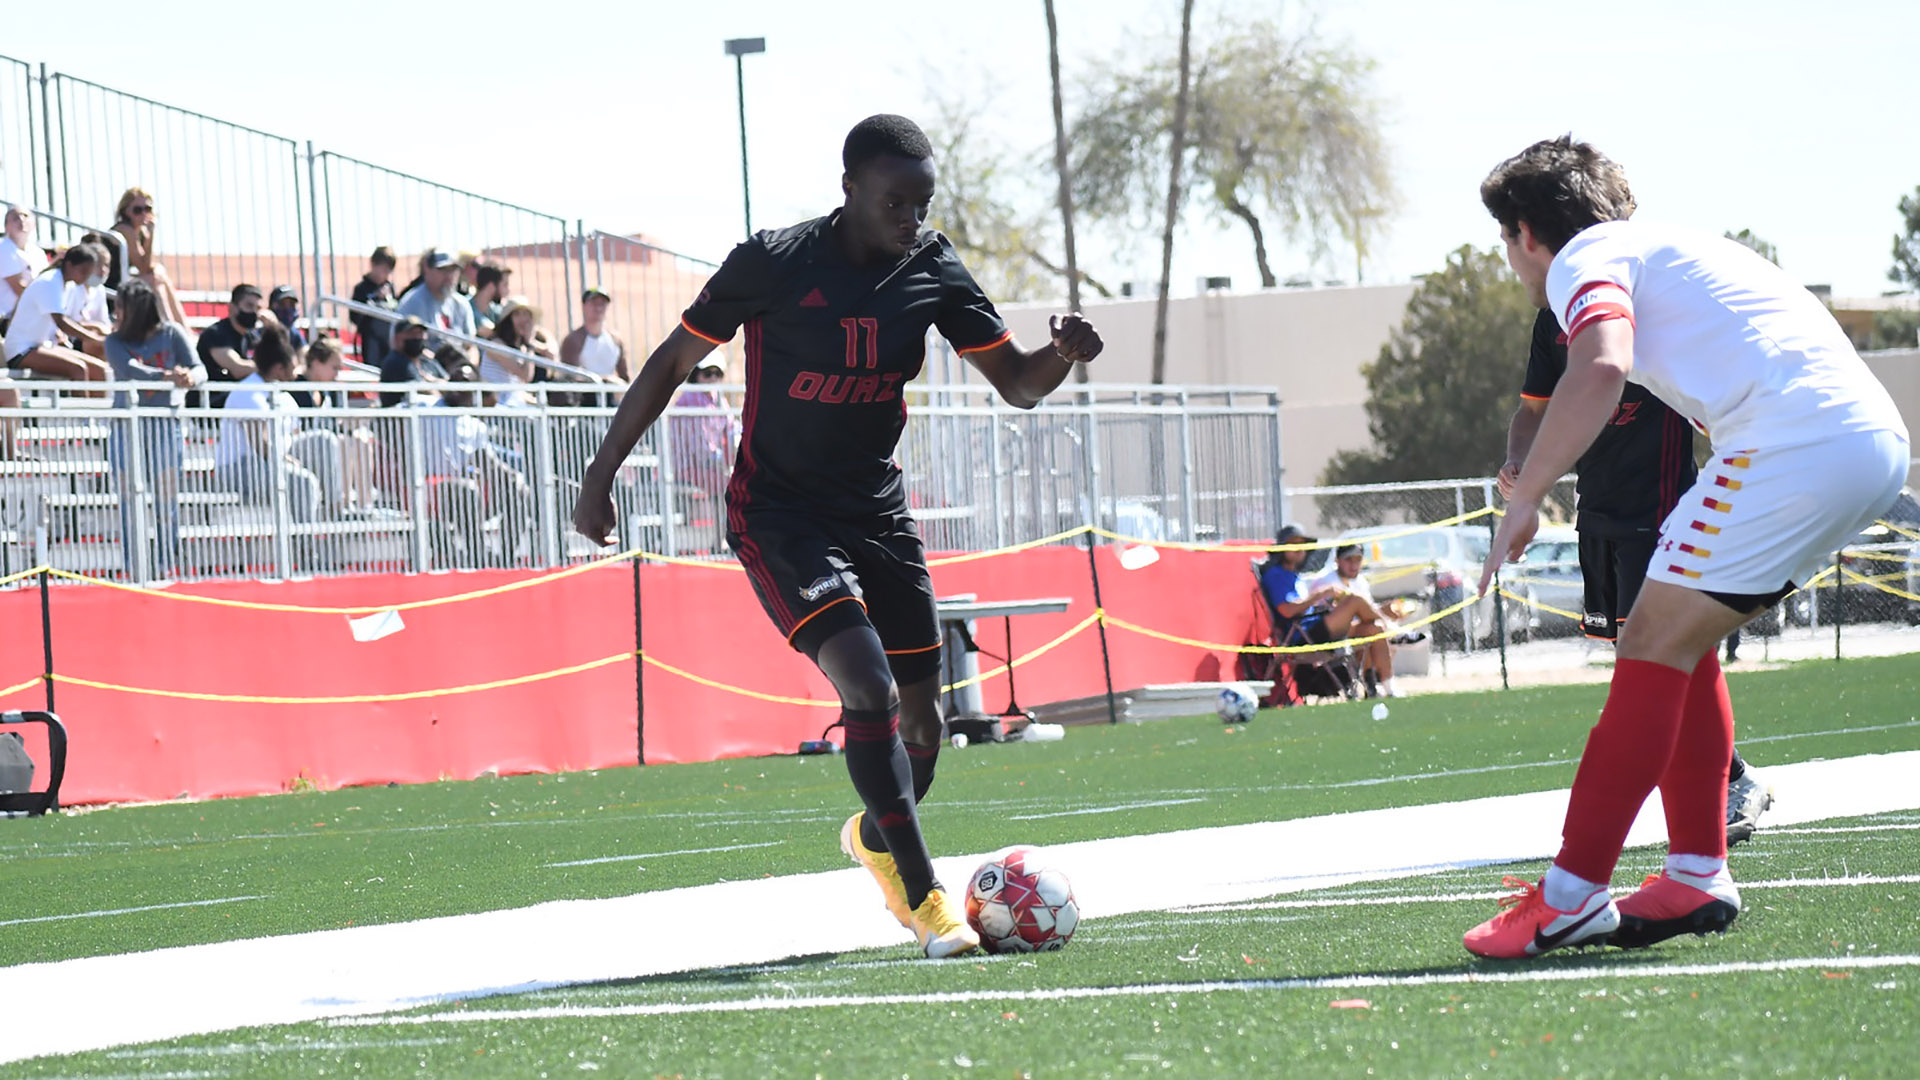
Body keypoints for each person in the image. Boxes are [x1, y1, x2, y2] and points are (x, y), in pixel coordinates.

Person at [571, 114, 1104, 959]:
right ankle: (928, 902)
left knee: (925, 726)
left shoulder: (933, 267)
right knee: (868, 684)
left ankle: (875, 838)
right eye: (896, 202)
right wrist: (600, 475)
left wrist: (1061, 354)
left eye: (922, 204)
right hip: (780, 514)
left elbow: (1017, 385)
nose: (911, 219)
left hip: (878, 515)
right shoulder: (773, 262)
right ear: (850, 188)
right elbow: (670, 362)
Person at [1464, 136, 1909, 959]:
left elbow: (1601, 366)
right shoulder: (1664, 246)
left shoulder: (1582, 259)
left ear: (1526, 232)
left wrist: (1525, 498)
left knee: (1646, 640)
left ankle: (1570, 895)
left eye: (1505, 239)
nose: (1510, 258)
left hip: (1792, 447)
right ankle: (1698, 871)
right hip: (1860, 439)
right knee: (1677, 636)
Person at [1502, 308, 1772, 847]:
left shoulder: (1650, 307)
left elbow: (1716, 390)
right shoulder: (1552, 319)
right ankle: (1726, 784)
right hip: (1595, 515)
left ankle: (1724, 789)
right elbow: (1532, 412)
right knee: (1646, 658)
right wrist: (1517, 464)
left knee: (1653, 659)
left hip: (1661, 512)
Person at [104, 278, 205, 578]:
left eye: (121, 306)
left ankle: (164, 565)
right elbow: (129, 369)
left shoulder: (171, 333)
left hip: (165, 425)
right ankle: (133, 565)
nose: (116, 313)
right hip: (127, 427)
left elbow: (199, 368)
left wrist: (189, 378)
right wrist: (166, 376)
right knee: (128, 499)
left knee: (166, 499)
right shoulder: (114, 341)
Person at [1259, 527, 1410, 697]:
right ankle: (1395, 631)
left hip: (1315, 626)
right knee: (1354, 600)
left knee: (1374, 629)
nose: (1299, 549)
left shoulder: (1294, 575)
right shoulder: (1276, 575)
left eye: (1302, 545)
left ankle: (1387, 687)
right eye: (1293, 544)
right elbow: (1287, 610)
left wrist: (1327, 604)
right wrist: (1320, 594)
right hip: (1303, 635)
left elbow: (1303, 606)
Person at [422, 349, 533, 562]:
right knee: (467, 489)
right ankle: (477, 552)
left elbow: (487, 461)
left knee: (518, 489)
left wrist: (514, 478)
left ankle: (505, 557)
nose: (459, 387)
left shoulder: (475, 425)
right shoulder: (425, 410)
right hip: (429, 486)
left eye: (465, 383)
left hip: (463, 487)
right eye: (455, 381)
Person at [215, 324, 326, 530]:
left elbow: (295, 435)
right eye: (293, 367)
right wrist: (286, 460)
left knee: (324, 441)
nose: (296, 372)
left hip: (267, 462)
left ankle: (336, 512)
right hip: (241, 467)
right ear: (278, 369)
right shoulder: (250, 392)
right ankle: (308, 544)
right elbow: (260, 444)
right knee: (304, 482)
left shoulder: (282, 395)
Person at [1307, 542, 1415, 697]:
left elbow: (1368, 612)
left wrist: (1390, 609)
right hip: (1326, 634)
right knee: (1369, 622)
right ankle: (1394, 632)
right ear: (1337, 560)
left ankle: (1383, 685)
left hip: (1354, 631)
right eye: (1348, 560)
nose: (1354, 565)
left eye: (1358, 560)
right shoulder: (1326, 581)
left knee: (1375, 628)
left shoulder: (1360, 582)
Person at [2, 242, 112, 385]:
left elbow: (67, 322)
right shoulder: (50, 282)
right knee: (78, 369)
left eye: (89, 272)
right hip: (21, 350)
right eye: (83, 271)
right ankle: (80, 400)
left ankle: (99, 401)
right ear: (69, 265)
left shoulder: (68, 285)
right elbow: (62, 323)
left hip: (42, 346)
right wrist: (95, 339)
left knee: (99, 370)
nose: (86, 277)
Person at [291, 335, 379, 513]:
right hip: (304, 446)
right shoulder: (296, 388)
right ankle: (340, 505)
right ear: (316, 363)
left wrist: (355, 422)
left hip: (327, 444)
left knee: (360, 440)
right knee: (342, 442)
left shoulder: (330, 390)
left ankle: (365, 504)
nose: (337, 374)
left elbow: (334, 425)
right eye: (334, 368)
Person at [110, 187, 190, 326]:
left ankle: (183, 328)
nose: (143, 214)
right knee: (154, 278)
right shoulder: (125, 230)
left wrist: (148, 236)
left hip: (124, 280)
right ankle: (170, 327)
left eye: (147, 209)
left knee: (160, 274)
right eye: (137, 210)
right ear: (125, 211)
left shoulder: (140, 232)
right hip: (114, 284)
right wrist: (151, 235)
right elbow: (144, 267)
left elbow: (147, 266)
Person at [394, 249, 475, 356]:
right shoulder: (412, 302)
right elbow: (404, 346)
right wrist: (438, 364)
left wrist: (468, 363)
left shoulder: (462, 304)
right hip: (426, 364)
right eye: (443, 270)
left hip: (458, 363)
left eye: (453, 270)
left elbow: (471, 345)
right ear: (427, 270)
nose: (449, 276)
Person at [196, 284, 267, 408]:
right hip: (213, 404)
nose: (254, 312)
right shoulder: (215, 333)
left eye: (258, 308)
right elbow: (237, 369)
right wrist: (269, 367)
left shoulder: (253, 337)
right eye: (249, 306)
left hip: (242, 401)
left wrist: (274, 328)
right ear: (233, 307)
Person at [559, 286, 632, 399]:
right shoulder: (573, 340)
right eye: (594, 303)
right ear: (584, 306)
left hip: (610, 398)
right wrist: (605, 380)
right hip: (584, 400)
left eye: (602, 303)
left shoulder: (616, 340)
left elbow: (625, 377)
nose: (598, 308)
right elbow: (572, 376)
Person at [481, 295, 555, 404]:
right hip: (497, 405)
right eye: (517, 314)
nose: (523, 319)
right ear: (508, 320)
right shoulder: (497, 345)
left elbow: (551, 356)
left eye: (526, 314)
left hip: (512, 403)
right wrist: (530, 345)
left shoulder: (522, 348)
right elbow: (525, 375)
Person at [378, 316, 448, 407]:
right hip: (403, 414)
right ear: (397, 338)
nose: (417, 337)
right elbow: (424, 390)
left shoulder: (427, 361)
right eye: (411, 333)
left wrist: (433, 380)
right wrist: (439, 387)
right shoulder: (395, 361)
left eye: (420, 333)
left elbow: (449, 383)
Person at [350, 246, 400, 371]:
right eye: (383, 268)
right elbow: (354, 317)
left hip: (390, 339)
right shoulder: (361, 288)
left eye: (389, 270)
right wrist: (374, 301)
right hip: (371, 340)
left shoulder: (390, 287)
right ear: (373, 264)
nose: (386, 273)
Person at [0, 206, 44, 328]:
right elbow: (19, 288)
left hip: (31, 316)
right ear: (6, 226)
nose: (21, 219)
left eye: (26, 216)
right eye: (15, 218)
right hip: (8, 319)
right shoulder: (3, 248)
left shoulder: (38, 252)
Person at [468, 264, 510, 337]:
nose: (507, 291)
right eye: (505, 285)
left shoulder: (495, 311)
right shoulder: (465, 307)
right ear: (491, 286)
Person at [269, 286, 307, 350]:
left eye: (292, 304)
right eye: (282, 304)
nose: (287, 309)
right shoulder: (262, 334)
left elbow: (303, 352)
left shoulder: (295, 334)